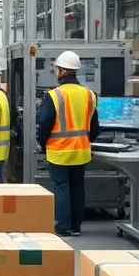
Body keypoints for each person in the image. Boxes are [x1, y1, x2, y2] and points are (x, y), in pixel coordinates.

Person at [36, 50, 101, 237]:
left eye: (57, 69)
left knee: (61, 187)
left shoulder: (54, 95)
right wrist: (87, 141)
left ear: (62, 71)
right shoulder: (89, 95)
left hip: (59, 151)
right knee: (78, 187)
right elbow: (95, 127)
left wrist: (42, 144)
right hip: (81, 151)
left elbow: (44, 123)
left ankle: (63, 227)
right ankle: (76, 226)